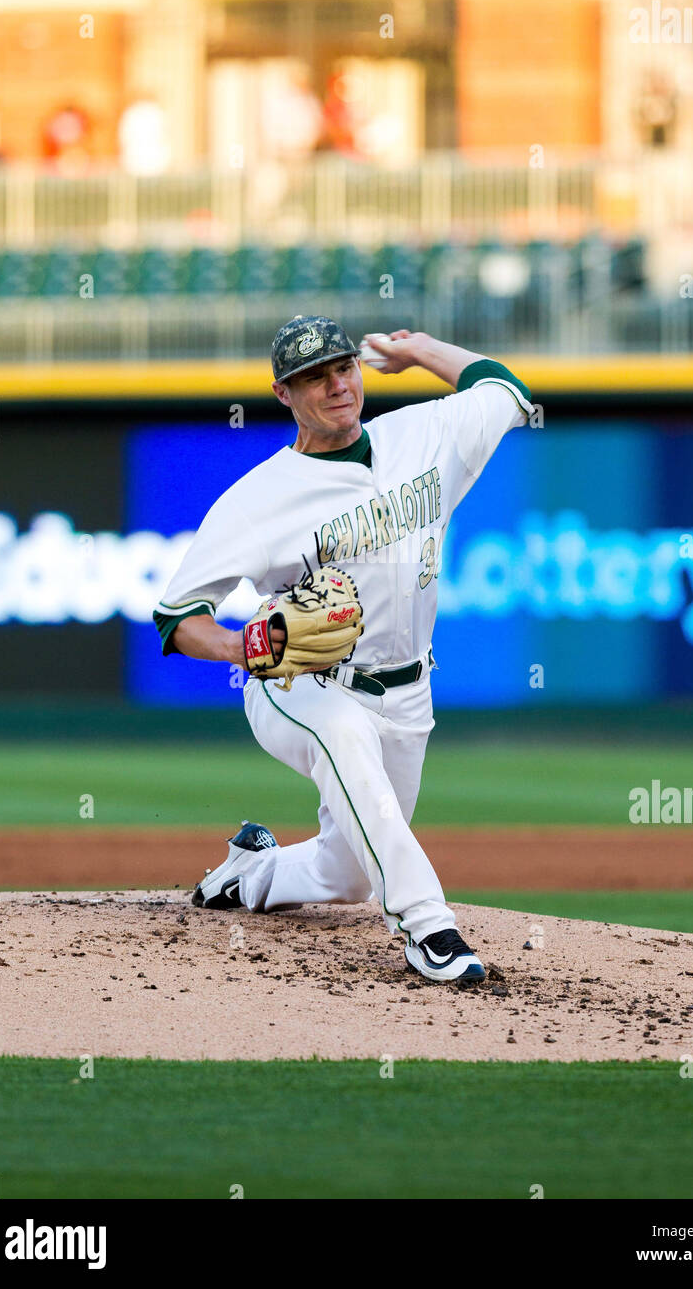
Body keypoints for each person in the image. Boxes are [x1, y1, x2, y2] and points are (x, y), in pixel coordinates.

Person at [153, 317, 536, 983]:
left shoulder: (422, 435)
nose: (335, 386)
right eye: (313, 378)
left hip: (409, 692)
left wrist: (420, 351)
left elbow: (505, 389)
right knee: (344, 744)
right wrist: (243, 647)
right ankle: (429, 928)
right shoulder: (257, 501)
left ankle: (251, 876)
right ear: (283, 394)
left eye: (342, 368)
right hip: (302, 684)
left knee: (349, 871)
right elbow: (176, 617)